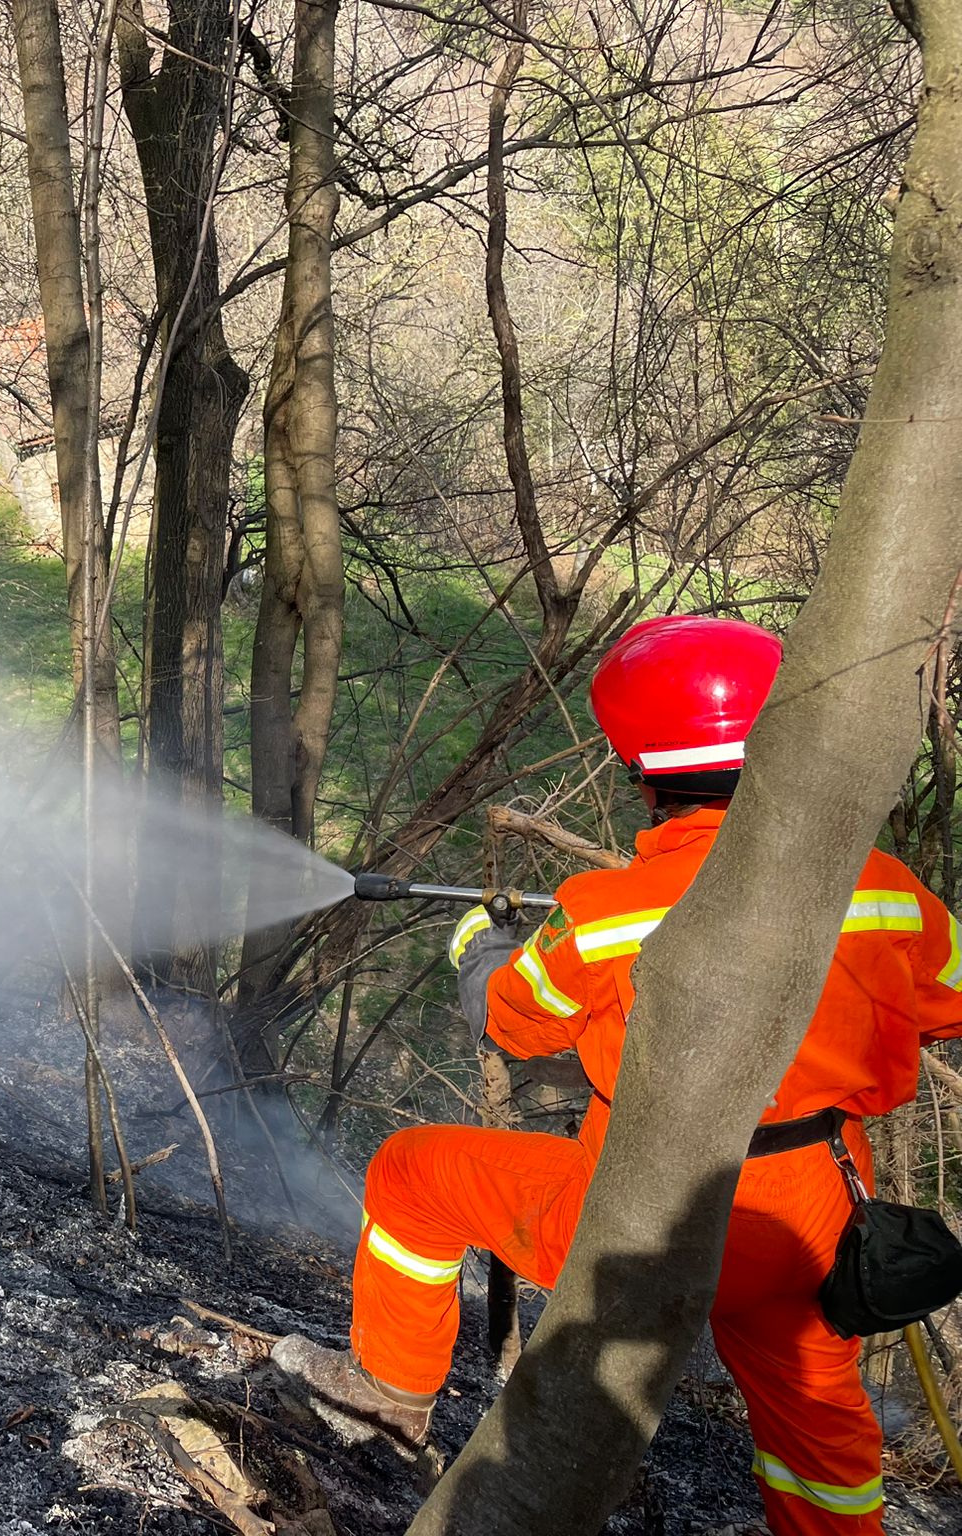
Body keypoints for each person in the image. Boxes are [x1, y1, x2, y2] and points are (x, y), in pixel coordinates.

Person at [278, 614, 962, 1534]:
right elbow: (948, 1002)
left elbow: (513, 1023)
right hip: (816, 1221)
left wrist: (482, 947)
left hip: (642, 1214)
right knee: (816, 1419)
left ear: (644, 773)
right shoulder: (881, 886)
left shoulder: (605, 913)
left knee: (411, 1173)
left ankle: (382, 1401)